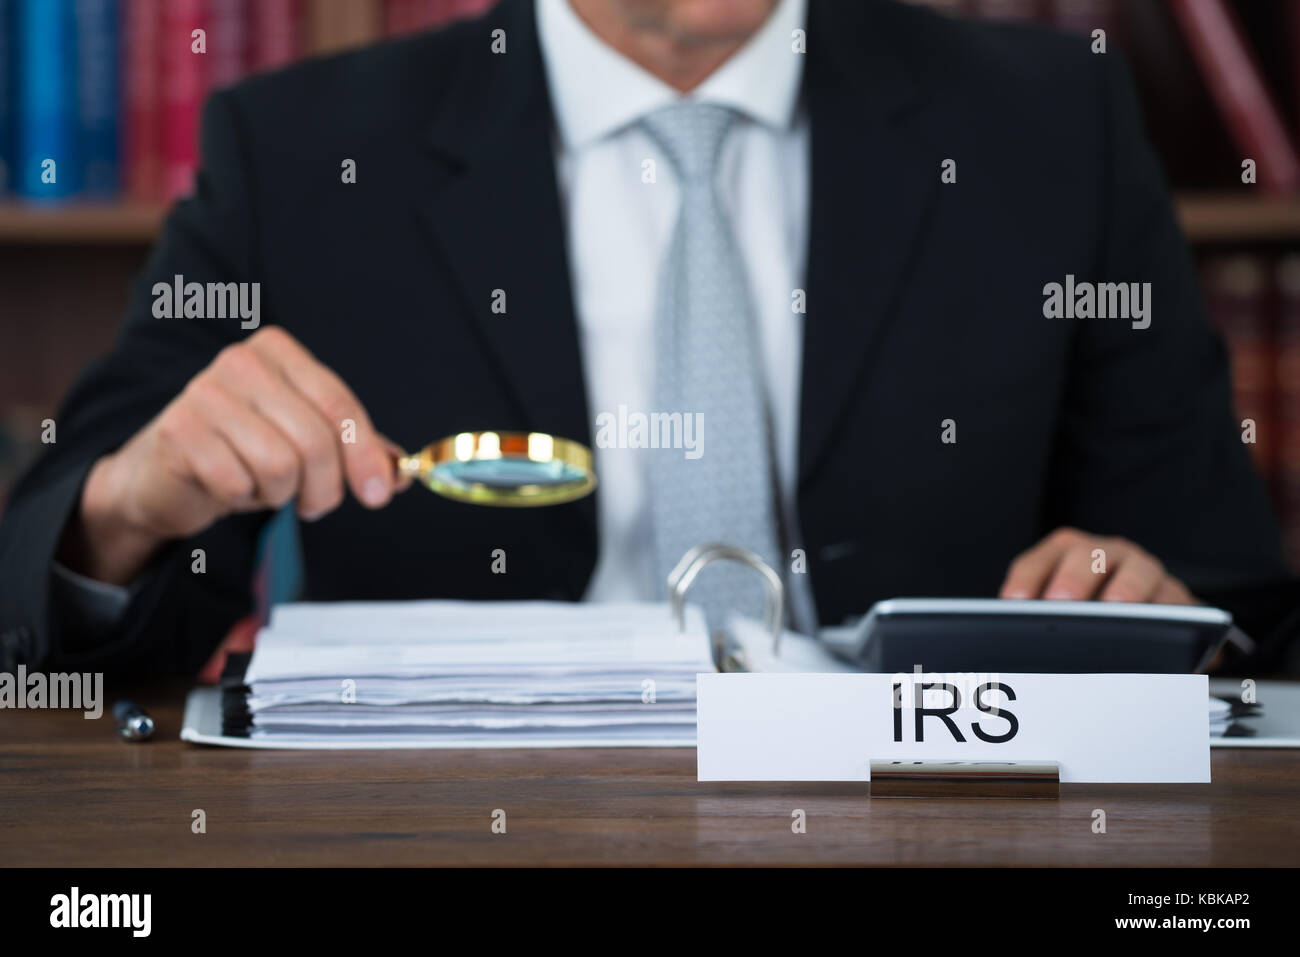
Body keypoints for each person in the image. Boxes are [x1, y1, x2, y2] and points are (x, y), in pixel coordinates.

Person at [0, 0, 1292, 677]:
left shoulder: (1049, 121)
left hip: (930, 817)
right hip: (458, 839)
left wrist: (1144, 600)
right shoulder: (297, 148)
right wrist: (126, 504)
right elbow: (57, 585)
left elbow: (1224, 589)